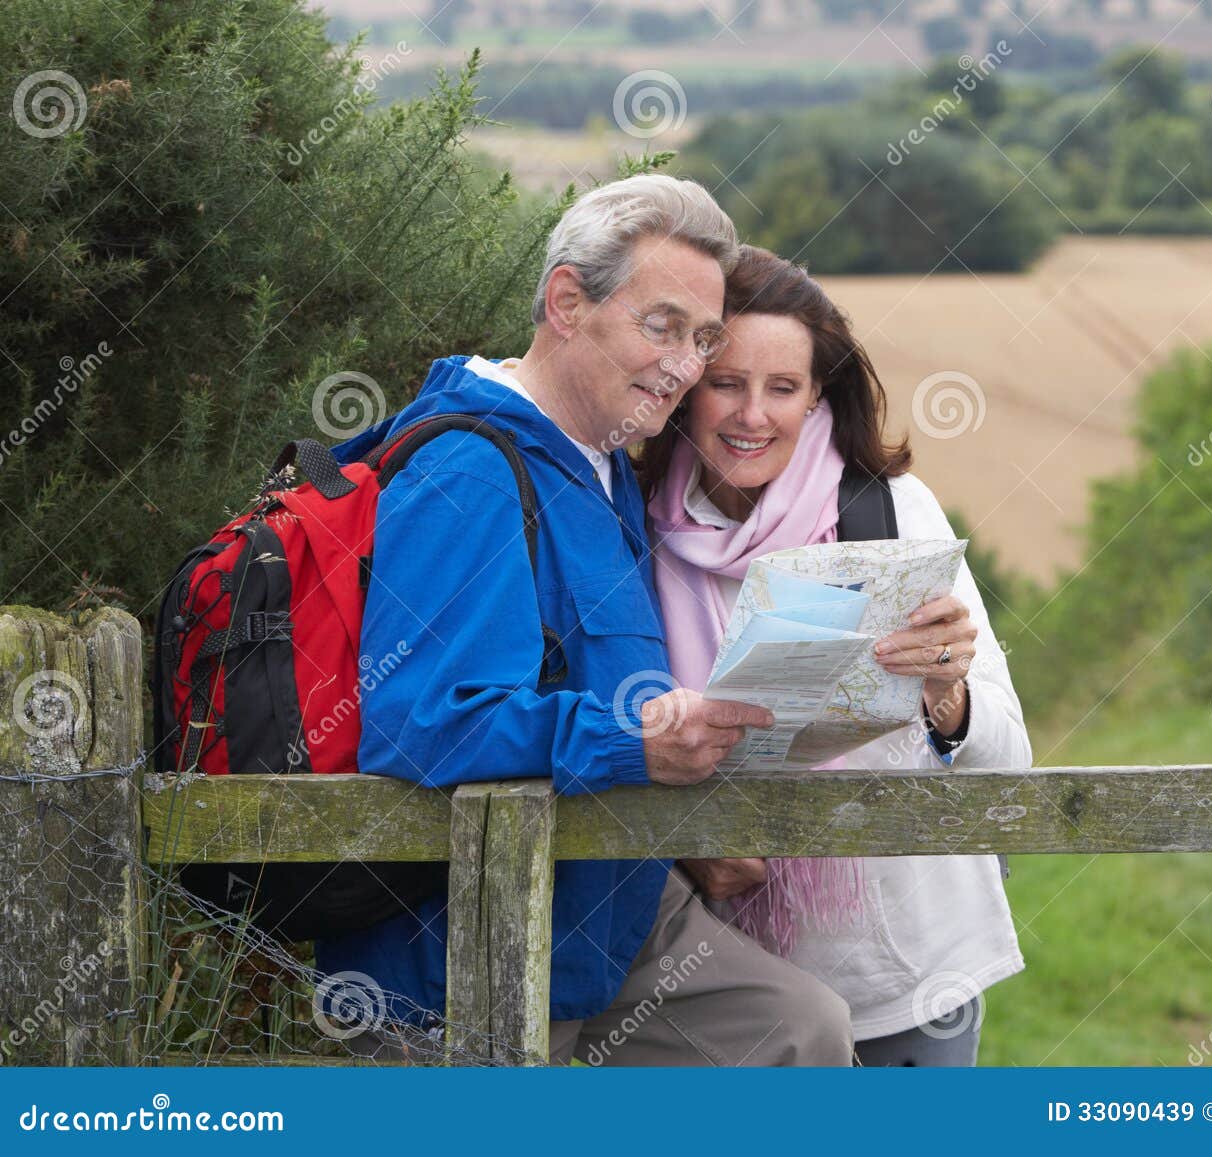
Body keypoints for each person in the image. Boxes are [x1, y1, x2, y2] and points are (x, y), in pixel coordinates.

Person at [315, 177, 853, 1066]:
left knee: (798, 1032)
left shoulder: (604, 472)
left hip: (615, 917)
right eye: (663, 325)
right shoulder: (471, 470)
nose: (686, 365)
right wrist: (631, 741)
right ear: (567, 302)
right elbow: (422, 722)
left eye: (703, 336)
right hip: (475, 949)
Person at [640, 245, 1028, 1066]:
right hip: (735, 983)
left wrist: (945, 694)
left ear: (820, 393)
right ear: (684, 387)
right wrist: (682, 844)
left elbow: (1008, 755)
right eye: (728, 382)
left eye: (783, 388)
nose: (753, 414)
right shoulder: (634, 529)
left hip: (911, 968)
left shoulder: (889, 510)